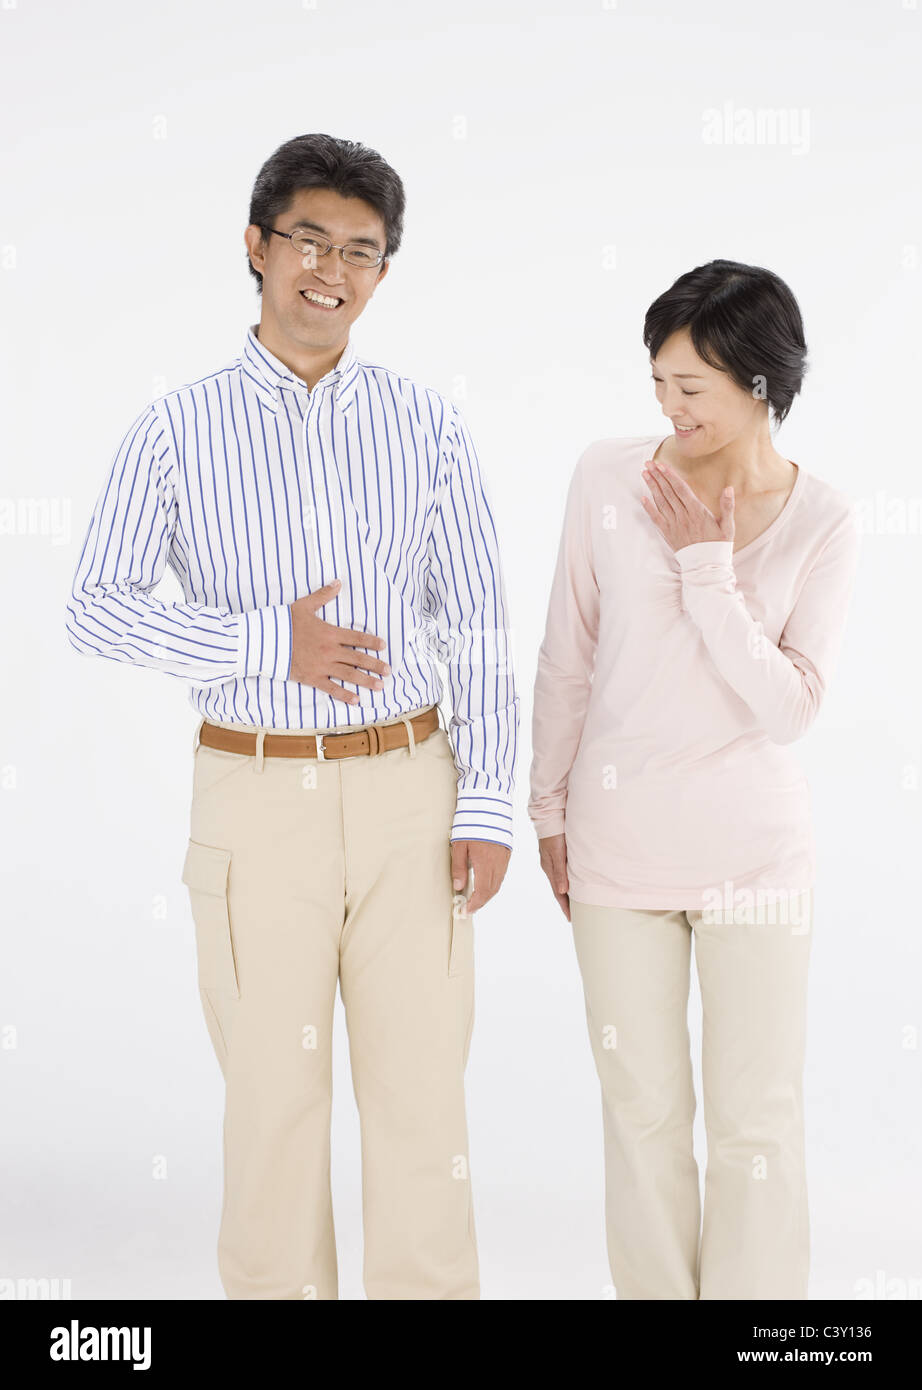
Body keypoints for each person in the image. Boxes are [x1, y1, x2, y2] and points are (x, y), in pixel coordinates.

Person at [66, 133, 518, 1301]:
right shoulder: (175, 429)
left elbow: (476, 623)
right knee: (273, 1103)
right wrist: (268, 639)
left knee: (423, 1100)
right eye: (310, 239)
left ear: (381, 273)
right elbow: (95, 611)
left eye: (362, 251)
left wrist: (485, 801)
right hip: (254, 794)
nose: (333, 268)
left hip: (412, 791)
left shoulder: (428, 426)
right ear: (258, 246)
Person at [528, 259, 860, 1300]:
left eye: (693, 389)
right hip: (618, 850)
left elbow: (793, 708)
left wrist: (706, 570)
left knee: (754, 1121)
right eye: (659, 383)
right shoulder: (604, 476)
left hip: (754, 859)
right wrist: (543, 806)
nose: (668, 409)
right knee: (640, 1114)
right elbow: (565, 655)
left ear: (760, 387)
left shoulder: (823, 521)